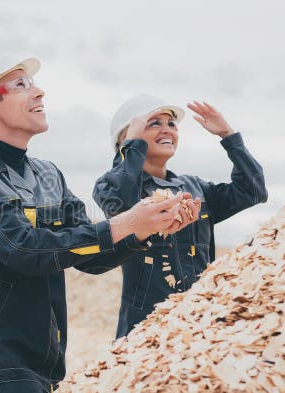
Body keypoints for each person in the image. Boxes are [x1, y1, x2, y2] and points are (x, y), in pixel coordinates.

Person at [0, 53, 200, 393]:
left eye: (33, 83)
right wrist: (126, 222)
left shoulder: (47, 175)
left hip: (46, 361)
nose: (39, 92)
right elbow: (24, 249)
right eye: (21, 84)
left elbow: (91, 256)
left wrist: (142, 229)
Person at [92, 94, 268, 339]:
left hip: (200, 327)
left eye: (172, 124)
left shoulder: (195, 188)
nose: (167, 129)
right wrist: (131, 146)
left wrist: (227, 135)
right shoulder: (112, 185)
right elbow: (120, 199)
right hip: (145, 331)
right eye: (154, 123)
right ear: (127, 136)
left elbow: (253, 190)